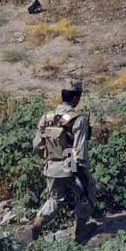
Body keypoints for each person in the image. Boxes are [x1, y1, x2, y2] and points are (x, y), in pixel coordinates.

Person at [30, 78, 94, 240]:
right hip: (70, 163)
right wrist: (81, 172)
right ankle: (80, 231)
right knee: (85, 196)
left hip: (51, 164)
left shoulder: (47, 117)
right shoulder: (78, 119)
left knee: (54, 199)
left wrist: (48, 159)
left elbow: (37, 145)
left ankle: (39, 221)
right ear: (76, 98)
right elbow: (79, 152)